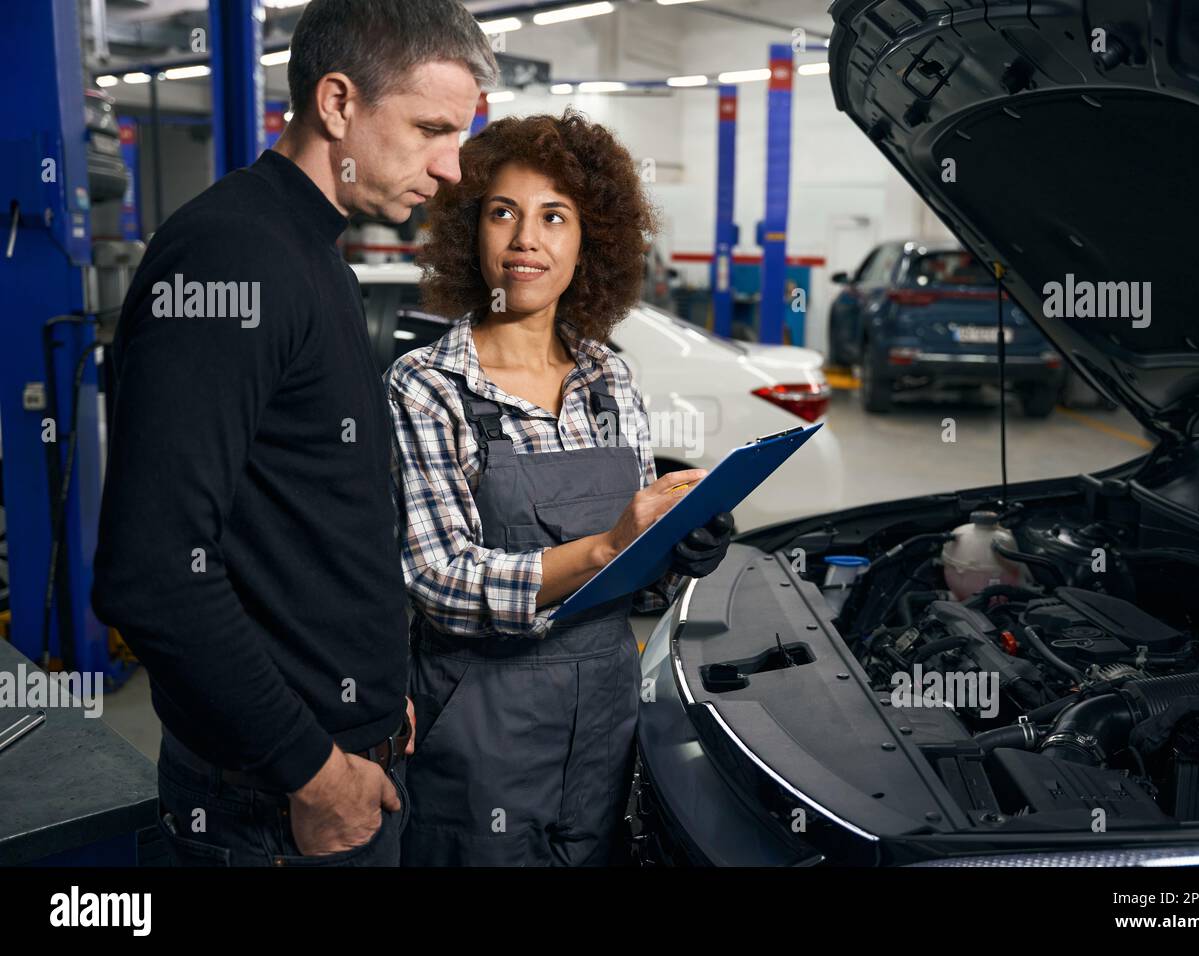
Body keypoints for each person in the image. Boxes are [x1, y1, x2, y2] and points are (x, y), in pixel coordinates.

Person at [91, 0, 495, 866]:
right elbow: (153, 574)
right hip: (277, 803)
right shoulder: (232, 257)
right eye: (430, 128)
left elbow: (310, 516)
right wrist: (314, 772)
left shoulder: (313, 252)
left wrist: (380, 693)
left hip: (351, 747)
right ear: (338, 104)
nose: (452, 168)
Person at [388, 109, 734, 866]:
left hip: (606, 712)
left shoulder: (608, 378)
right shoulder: (427, 387)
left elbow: (636, 569)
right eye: (503, 213)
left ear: (590, 242)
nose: (526, 240)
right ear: (468, 231)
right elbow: (439, 582)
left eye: (555, 217)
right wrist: (609, 544)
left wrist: (682, 543)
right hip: (480, 720)